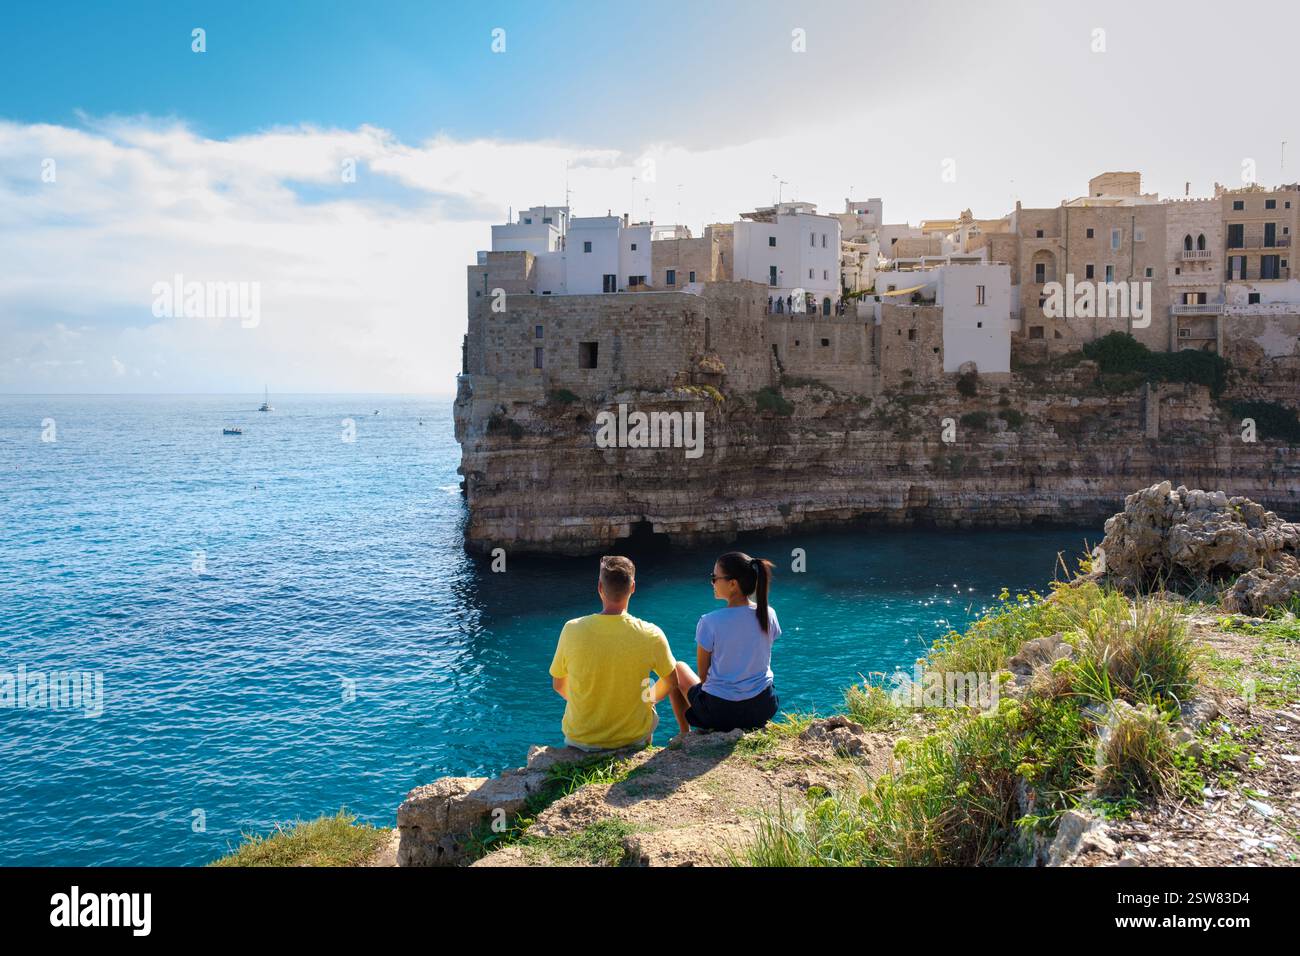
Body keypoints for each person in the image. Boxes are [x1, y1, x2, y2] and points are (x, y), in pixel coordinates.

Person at [549, 555, 676, 751]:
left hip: (581, 740)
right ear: (633, 587)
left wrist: (588, 703)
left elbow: (558, 684)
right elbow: (671, 681)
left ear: (600, 587)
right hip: (632, 739)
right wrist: (647, 700)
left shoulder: (571, 629)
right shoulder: (652, 634)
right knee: (648, 690)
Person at [668, 551, 780, 734]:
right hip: (763, 707)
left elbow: (703, 677)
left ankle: (684, 734)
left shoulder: (709, 622)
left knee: (677, 668)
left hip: (721, 713)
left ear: (733, 584)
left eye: (715, 577)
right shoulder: (769, 614)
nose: (712, 582)